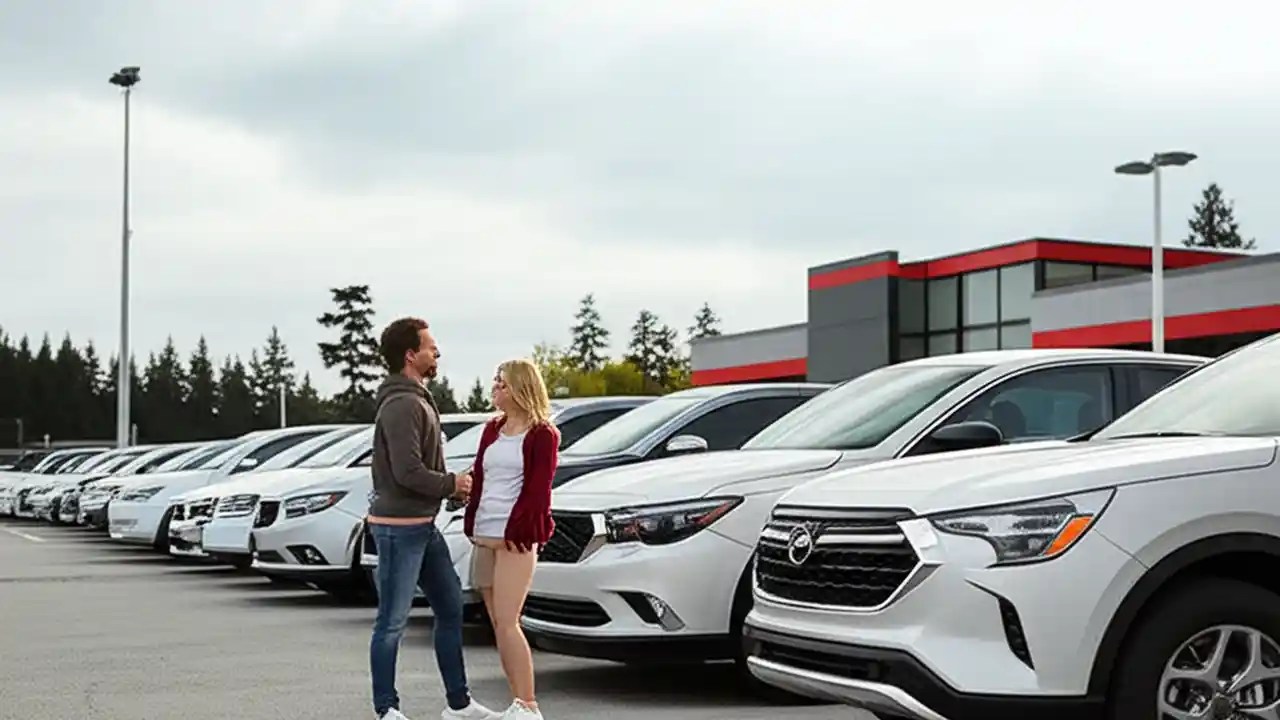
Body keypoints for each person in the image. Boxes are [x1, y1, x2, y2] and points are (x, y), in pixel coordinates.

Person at [368, 317, 501, 720]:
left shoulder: (417, 398)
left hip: (423, 529)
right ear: (411, 356)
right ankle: (386, 710)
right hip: (398, 532)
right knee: (391, 622)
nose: (437, 353)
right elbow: (407, 471)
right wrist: (451, 484)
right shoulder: (402, 404)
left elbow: (418, 470)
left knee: (450, 608)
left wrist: (452, 491)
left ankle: (458, 704)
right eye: (430, 347)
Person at [463, 359, 560, 720]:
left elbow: (538, 491)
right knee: (497, 624)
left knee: (508, 621)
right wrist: (471, 517)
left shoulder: (542, 434)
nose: (495, 388)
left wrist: (519, 530)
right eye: (495, 382)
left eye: (502, 383)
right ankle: (516, 702)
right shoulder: (492, 429)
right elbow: (481, 476)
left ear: (520, 388)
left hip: (515, 539)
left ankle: (529, 706)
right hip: (484, 534)